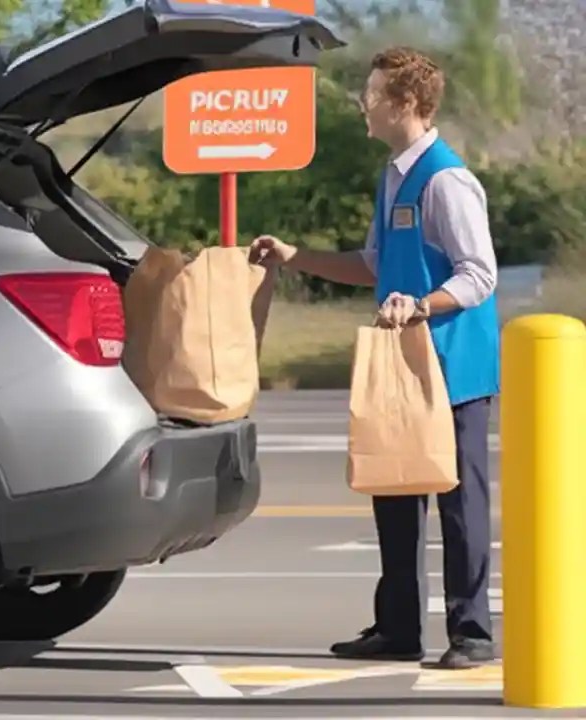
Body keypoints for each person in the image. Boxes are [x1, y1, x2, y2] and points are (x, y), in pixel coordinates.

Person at [250, 46, 500, 670]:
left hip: (452, 364)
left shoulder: (447, 179)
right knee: (393, 490)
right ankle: (398, 629)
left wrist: (420, 305)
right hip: (403, 362)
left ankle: (472, 633)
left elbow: (479, 276)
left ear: (406, 105)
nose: (363, 104)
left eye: (373, 94)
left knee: (460, 501)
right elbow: (372, 265)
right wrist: (294, 255)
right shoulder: (393, 175)